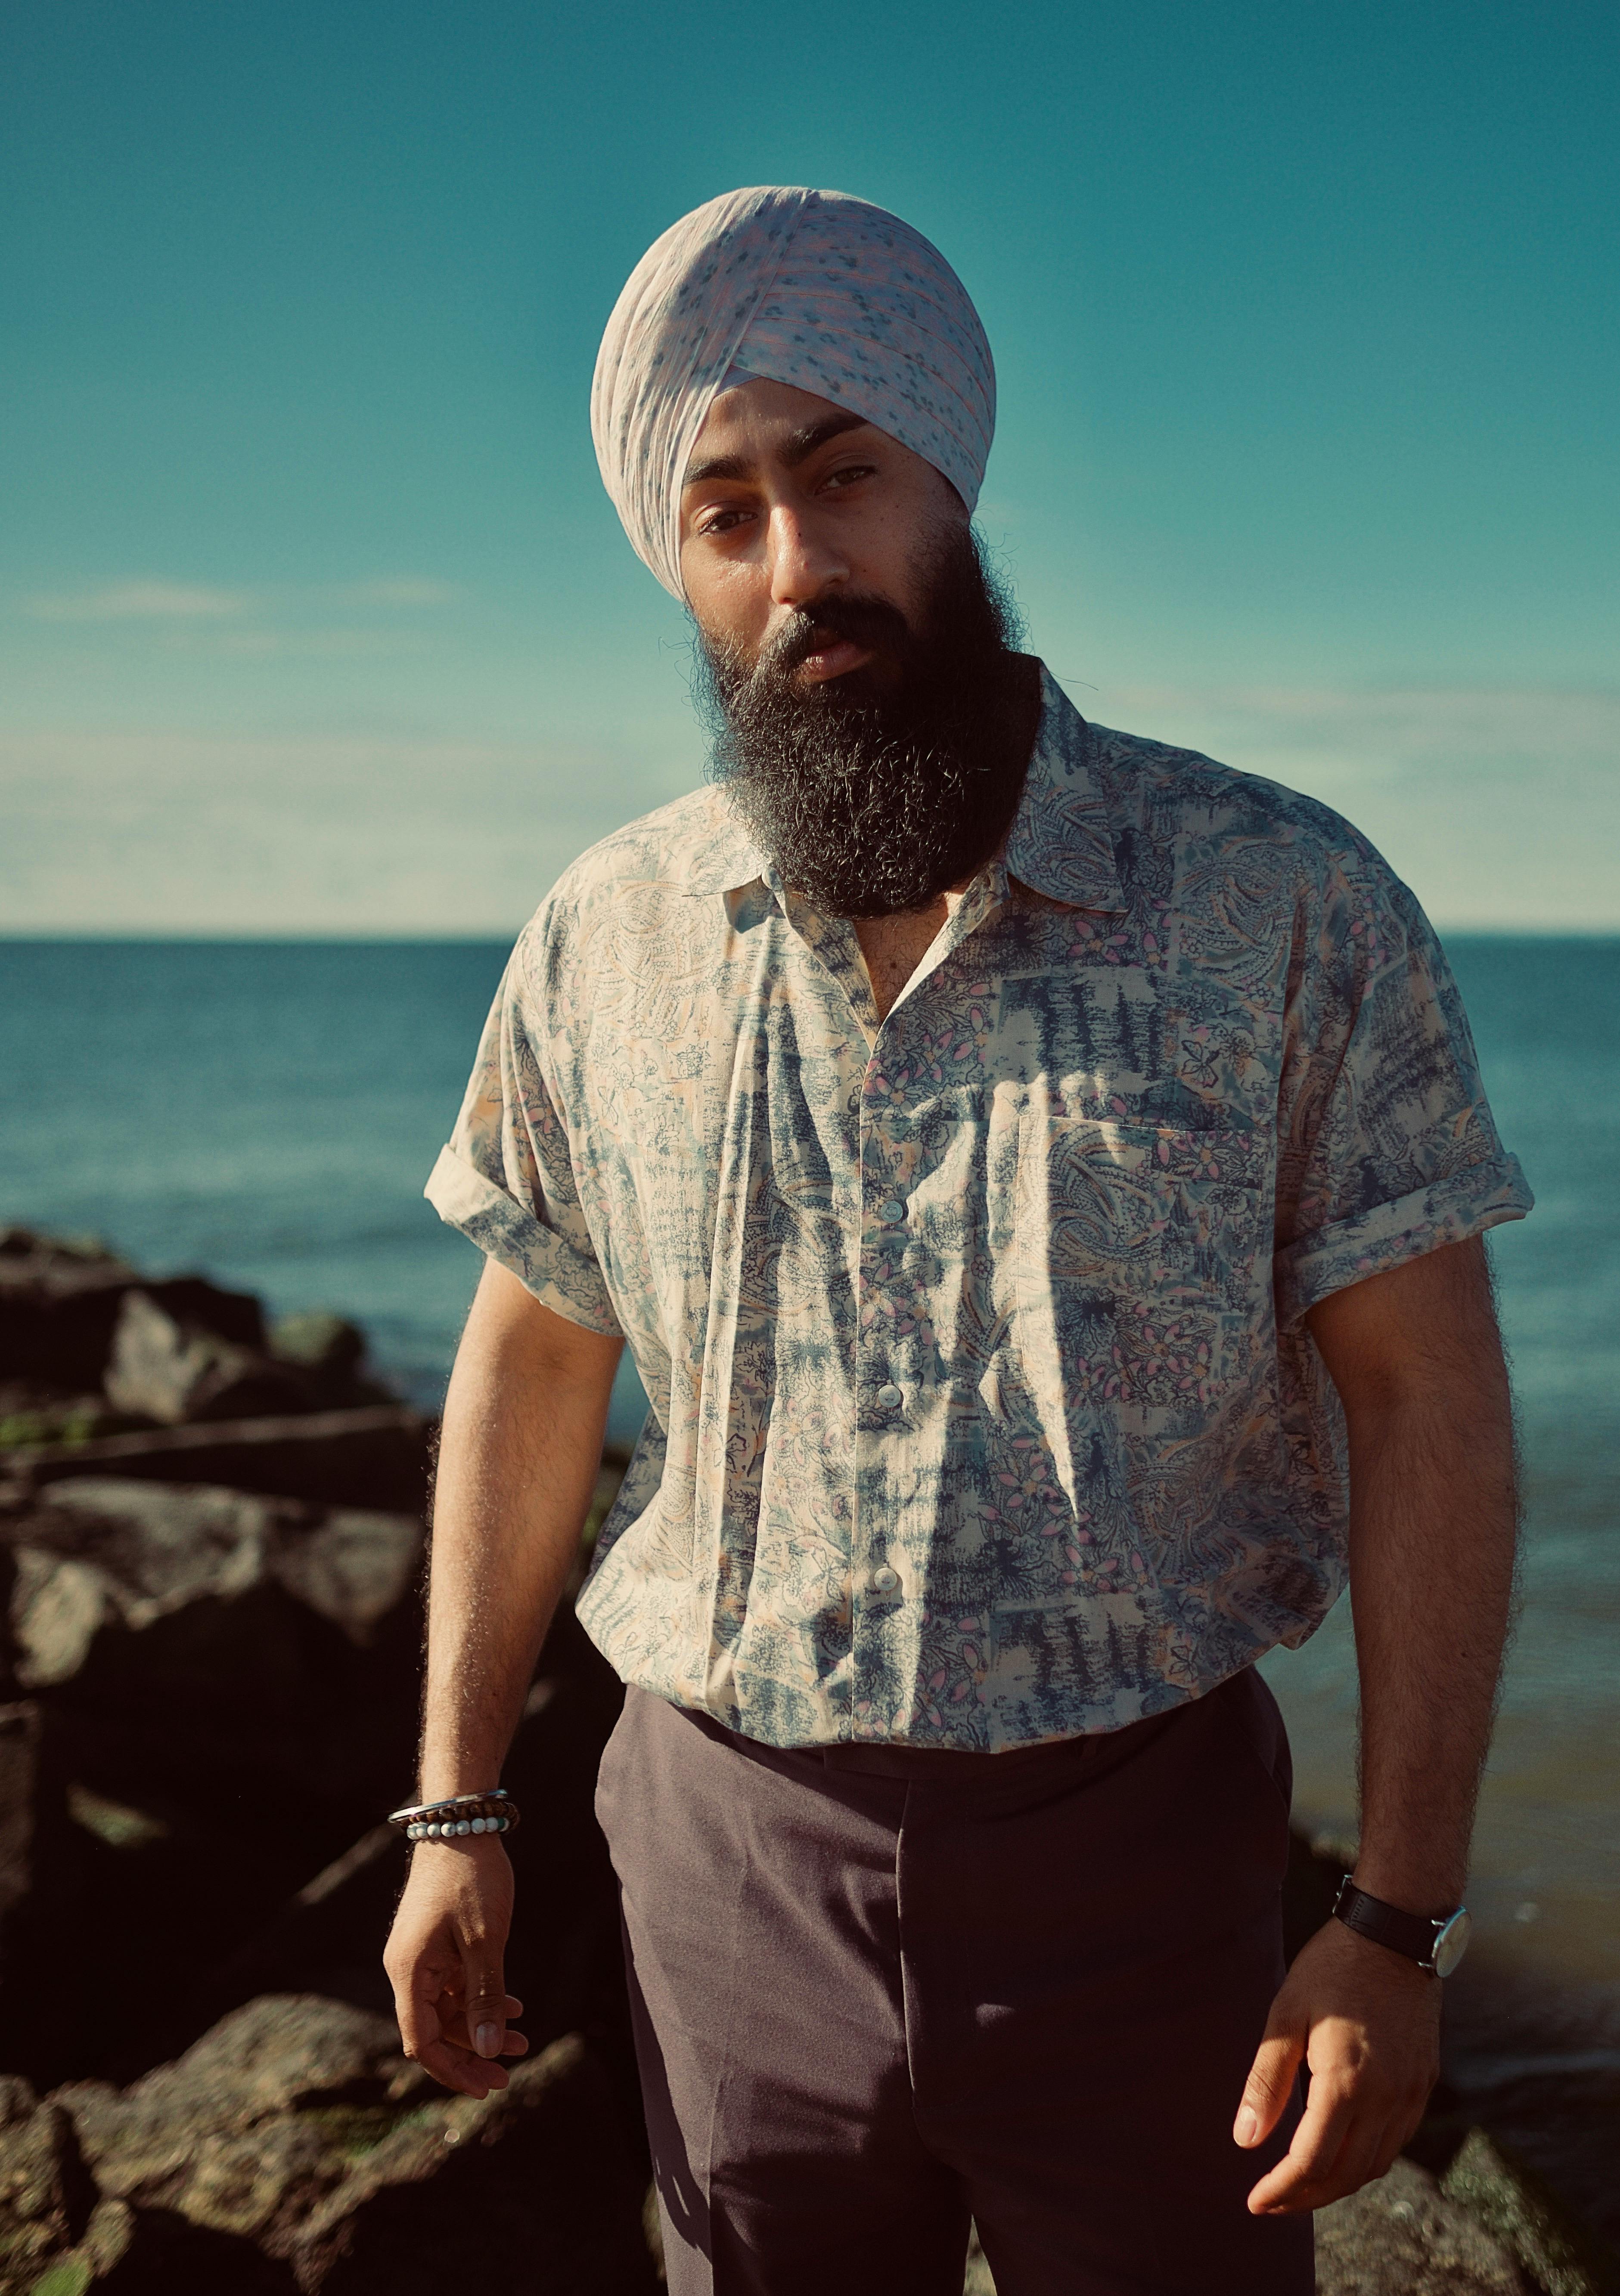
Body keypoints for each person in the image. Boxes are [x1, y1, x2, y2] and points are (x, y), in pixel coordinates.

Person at [384, 186, 1531, 2295]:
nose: (798, 561)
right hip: (721, 1860)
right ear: (680, 558)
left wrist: (1390, 1914)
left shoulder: (1279, 897)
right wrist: (457, 1811)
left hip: (1144, 1859)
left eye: (843, 477)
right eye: (724, 511)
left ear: (949, 481)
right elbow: (540, 1356)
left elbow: (1425, 1396)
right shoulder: (604, 931)